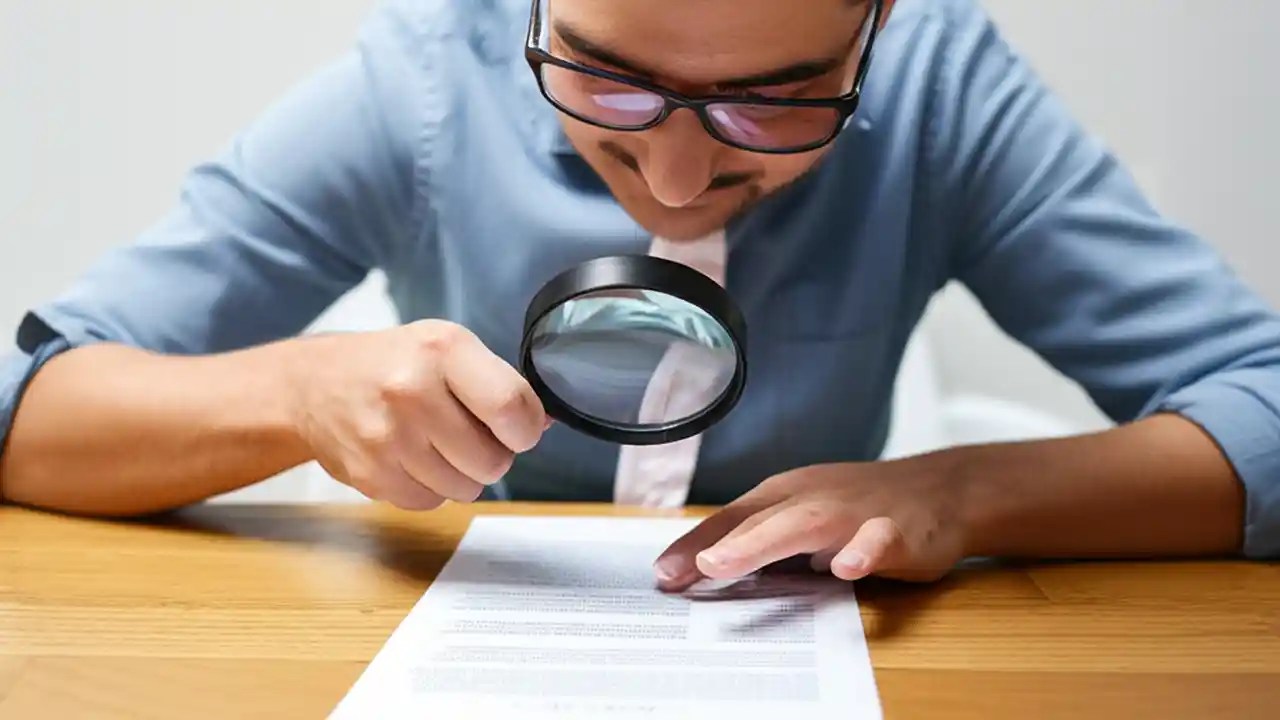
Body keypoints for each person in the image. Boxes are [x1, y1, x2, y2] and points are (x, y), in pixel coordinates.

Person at [2, 0, 1278, 592]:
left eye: (774, 100)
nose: (674, 179)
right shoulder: (428, 78)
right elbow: (26, 409)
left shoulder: (945, 91)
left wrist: (952, 488)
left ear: (875, 25)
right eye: (605, 83)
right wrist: (289, 391)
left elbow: (1264, 405)